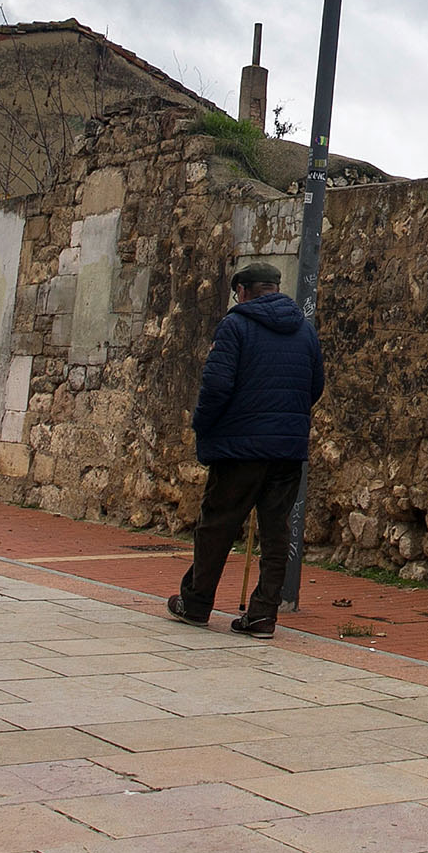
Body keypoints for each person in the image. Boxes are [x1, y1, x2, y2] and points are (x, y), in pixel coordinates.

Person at [169, 261, 323, 637]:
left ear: (243, 291)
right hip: (286, 448)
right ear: (273, 288)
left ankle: (197, 601)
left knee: (217, 524)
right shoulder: (305, 332)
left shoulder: (235, 326)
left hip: (239, 447)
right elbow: (314, 386)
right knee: (275, 531)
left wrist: (203, 426)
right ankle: (263, 614)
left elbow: (217, 387)